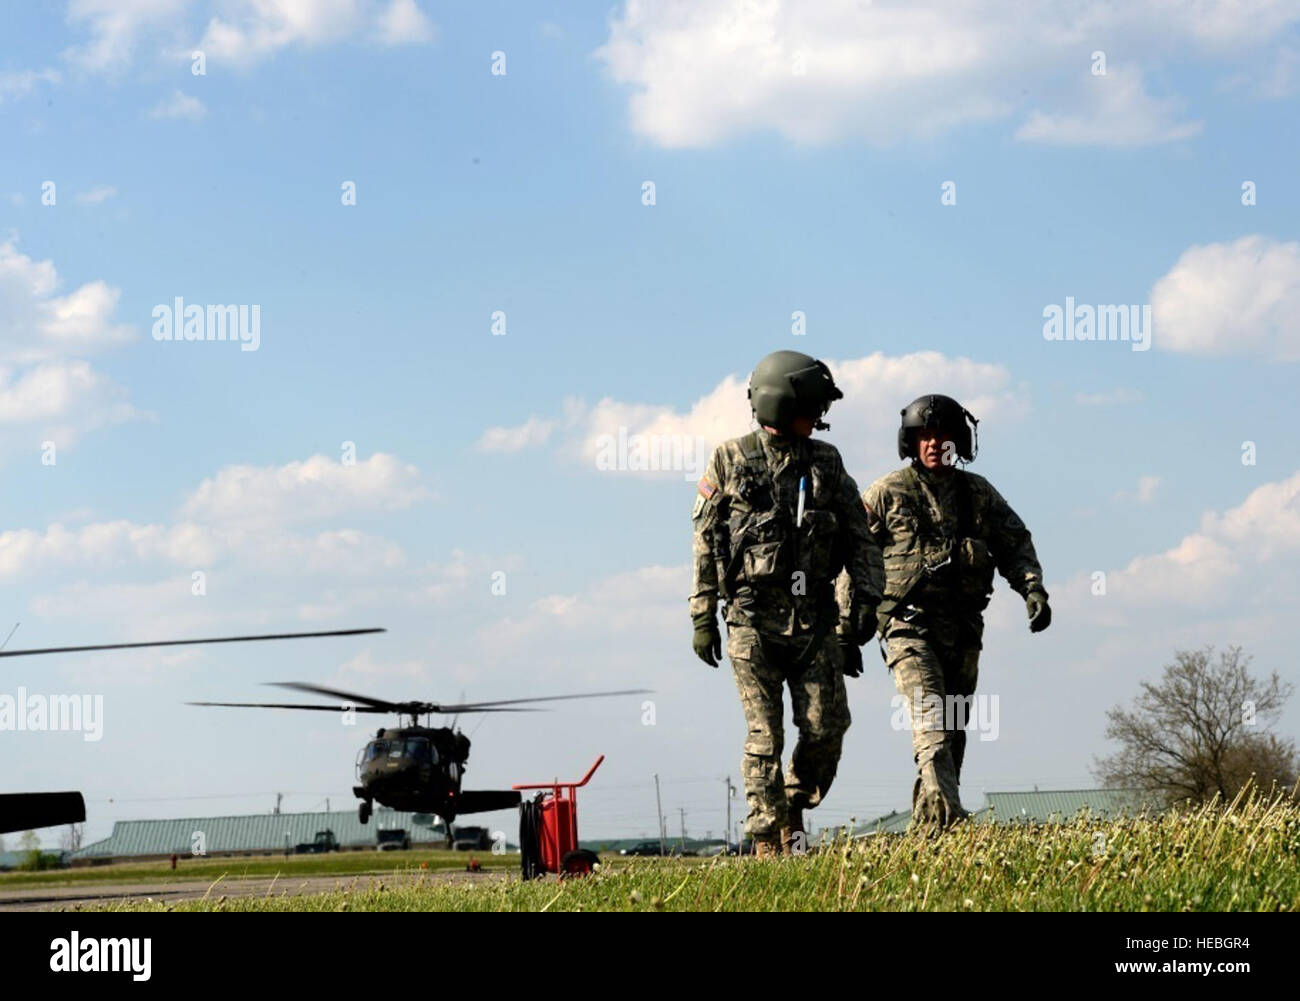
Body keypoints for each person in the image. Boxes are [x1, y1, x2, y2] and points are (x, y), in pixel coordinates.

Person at [690, 350, 883, 857]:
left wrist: (865, 601)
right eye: (812, 407)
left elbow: (860, 537)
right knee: (764, 735)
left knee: (827, 726)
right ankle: (767, 842)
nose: (818, 418)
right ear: (782, 403)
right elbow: (706, 541)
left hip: (814, 621)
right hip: (752, 623)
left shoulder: (827, 460)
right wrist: (701, 614)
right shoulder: (729, 460)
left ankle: (793, 804)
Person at [864, 394, 1050, 831]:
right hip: (907, 627)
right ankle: (954, 821)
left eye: (943, 436)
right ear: (911, 441)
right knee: (930, 723)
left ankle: (930, 829)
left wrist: (1032, 589)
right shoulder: (887, 493)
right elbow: (854, 556)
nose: (934, 444)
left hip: (964, 629)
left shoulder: (978, 494)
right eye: (925, 436)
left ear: (958, 443)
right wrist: (844, 626)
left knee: (951, 730)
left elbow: (1014, 542)